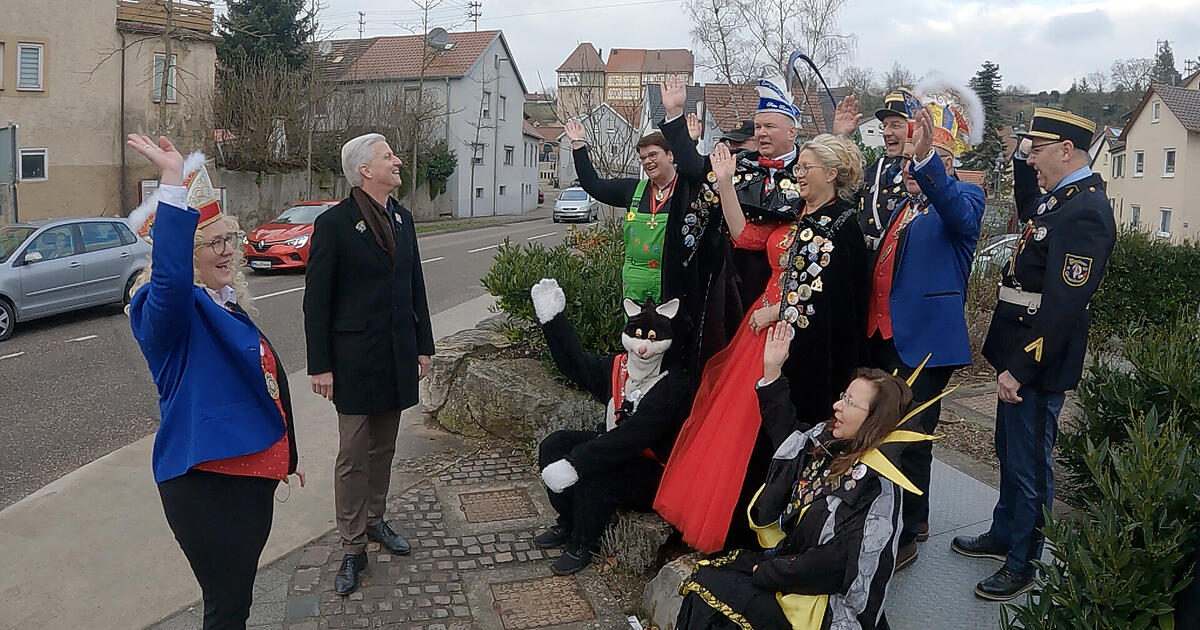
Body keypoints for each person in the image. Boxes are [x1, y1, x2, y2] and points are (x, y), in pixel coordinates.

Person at [655, 133, 870, 553]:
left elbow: (833, 298)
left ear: (832, 173)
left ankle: (749, 525)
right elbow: (745, 236)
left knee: (765, 431)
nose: (798, 174)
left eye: (806, 167)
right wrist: (725, 182)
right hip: (758, 338)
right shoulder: (793, 211)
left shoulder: (844, 225)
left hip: (796, 346)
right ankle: (713, 514)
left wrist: (778, 312)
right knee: (732, 427)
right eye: (799, 167)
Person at [125, 134, 302, 630]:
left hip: (252, 482)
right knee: (225, 607)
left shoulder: (227, 304)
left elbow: (264, 384)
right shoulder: (166, 313)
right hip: (207, 486)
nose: (229, 250)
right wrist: (171, 184)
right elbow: (171, 280)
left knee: (237, 603)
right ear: (184, 252)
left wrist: (289, 458)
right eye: (214, 243)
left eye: (230, 238)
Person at [953, 108, 1116, 600]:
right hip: (1018, 353)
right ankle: (1005, 533)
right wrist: (1019, 157)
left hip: (1037, 362)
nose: (1031, 158)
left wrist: (1020, 368)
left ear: (1067, 150)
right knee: (1009, 451)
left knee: (1030, 466)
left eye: (1037, 150)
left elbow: (1064, 306)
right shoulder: (1062, 201)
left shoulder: (1086, 210)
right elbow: (1032, 217)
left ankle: (1023, 561)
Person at [675, 321, 924, 630]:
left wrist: (765, 572)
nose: (837, 405)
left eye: (849, 402)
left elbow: (834, 566)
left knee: (718, 599)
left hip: (825, 604)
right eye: (843, 396)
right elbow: (789, 437)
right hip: (793, 572)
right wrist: (772, 372)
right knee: (708, 581)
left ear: (873, 421)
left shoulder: (875, 489)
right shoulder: (833, 443)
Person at [303, 133, 435, 595]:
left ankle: (376, 521)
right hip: (354, 360)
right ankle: (352, 546)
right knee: (354, 454)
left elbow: (414, 285)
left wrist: (424, 346)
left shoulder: (403, 218)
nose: (397, 161)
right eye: (388, 156)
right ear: (365, 170)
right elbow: (316, 300)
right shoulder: (335, 223)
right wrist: (319, 365)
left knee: (384, 448)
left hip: (397, 354)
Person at [866, 79, 986, 570]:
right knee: (880, 436)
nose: (908, 169)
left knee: (910, 441)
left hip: (929, 346)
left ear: (945, 161)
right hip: (884, 338)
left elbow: (954, 210)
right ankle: (878, 519)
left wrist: (926, 159)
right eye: (907, 162)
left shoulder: (965, 200)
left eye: (922, 160)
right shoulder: (902, 207)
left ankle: (911, 530)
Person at [529, 279, 689, 575]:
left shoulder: (673, 384)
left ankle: (582, 543)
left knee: (595, 474)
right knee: (554, 444)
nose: (643, 347)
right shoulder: (619, 366)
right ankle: (568, 521)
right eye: (638, 337)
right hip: (615, 449)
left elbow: (633, 437)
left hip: (654, 468)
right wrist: (553, 320)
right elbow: (576, 366)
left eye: (653, 340)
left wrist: (577, 463)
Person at [563, 118, 739, 382]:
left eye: (653, 154)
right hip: (634, 291)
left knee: (671, 356)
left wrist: (689, 142)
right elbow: (595, 186)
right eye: (643, 157)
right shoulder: (633, 190)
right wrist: (578, 145)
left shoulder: (687, 190)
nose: (647, 161)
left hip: (671, 290)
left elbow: (698, 172)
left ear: (671, 155)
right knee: (638, 353)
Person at [659, 74, 808, 317]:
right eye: (758, 127)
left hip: (788, 288)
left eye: (769, 127)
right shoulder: (739, 163)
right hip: (735, 287)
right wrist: (675, 114)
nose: (761, 133)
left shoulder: (809, 171)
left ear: (792, 132)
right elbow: (693, 167)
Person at [832, 91, 916, 251]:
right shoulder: (878, 168)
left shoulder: (926, 173)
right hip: (868, 265)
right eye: (884, 126)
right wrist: (840, 138)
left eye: (895, 125)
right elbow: (841, 193)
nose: (886, 133)